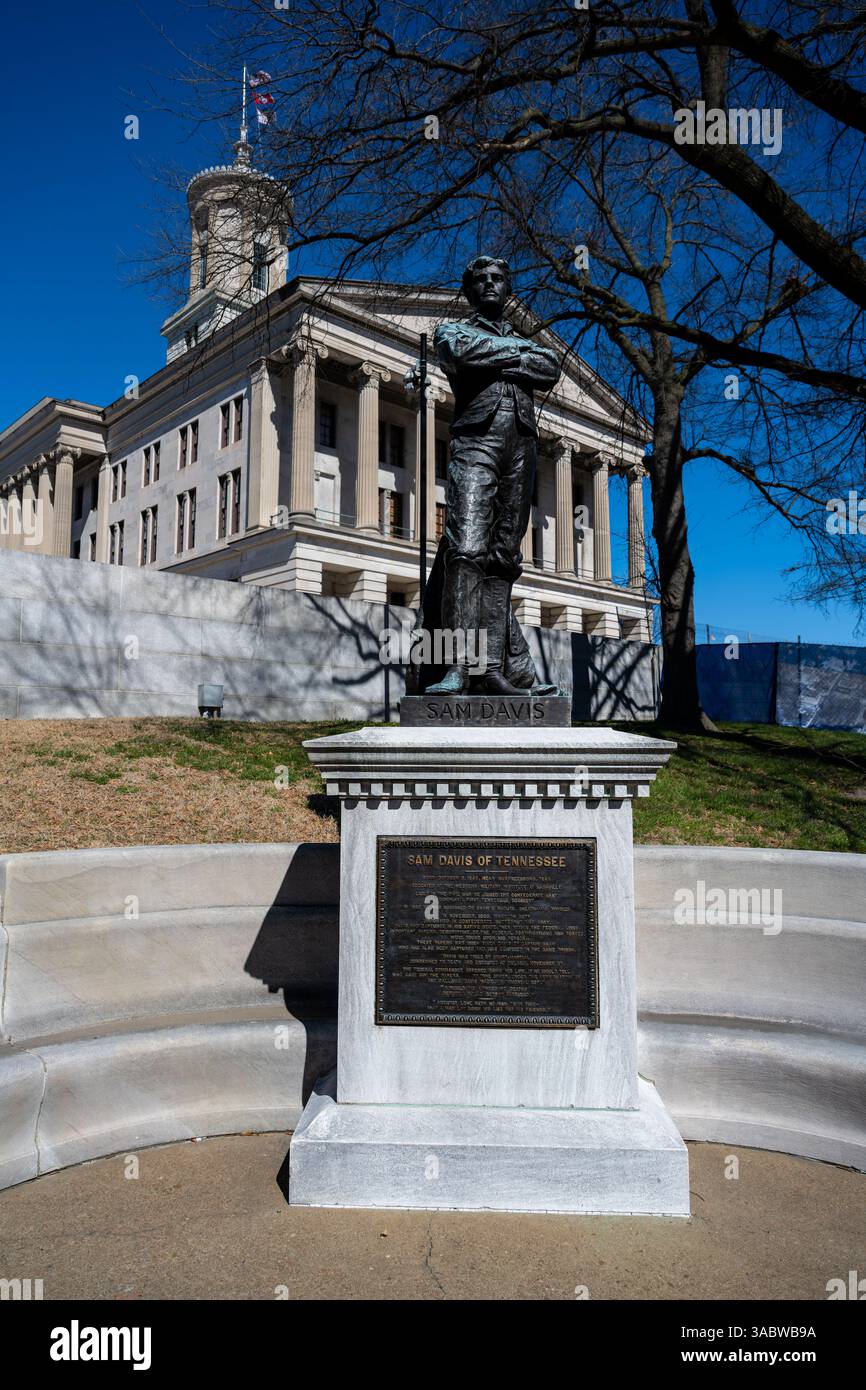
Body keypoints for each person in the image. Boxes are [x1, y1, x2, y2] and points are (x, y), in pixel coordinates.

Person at [424, 254, 561, 695]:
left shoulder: (528, 341)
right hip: (475, 441)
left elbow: (551, 368)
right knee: (465, 549)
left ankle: (493, 670)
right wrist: (520, 354)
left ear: (509, 287)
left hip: (521, 445)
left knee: (503, 559)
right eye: (479, 279)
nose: (488, 284)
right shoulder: (453, 330)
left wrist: (501, 355)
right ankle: (459, 668)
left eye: (497, 278)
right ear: (468, 290)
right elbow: (456, 352)